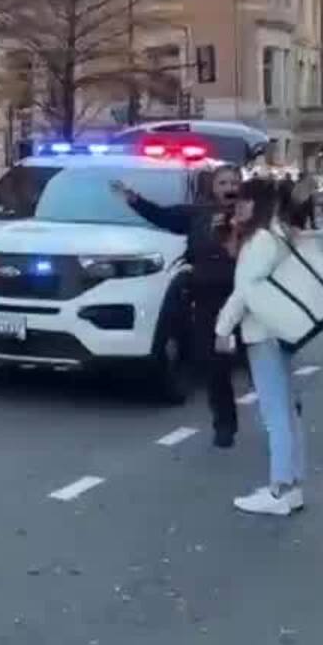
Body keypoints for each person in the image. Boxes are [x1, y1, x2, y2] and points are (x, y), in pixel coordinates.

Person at [114, 164, 245, 447]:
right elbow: (163, 216)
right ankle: (224, 424)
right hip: (210, 301)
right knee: (215, 364)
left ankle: (282, 409)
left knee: (258, 360)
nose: (229, 188)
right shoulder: (199, 214)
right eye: (223, 183)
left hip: (246, 300)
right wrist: (134, 200)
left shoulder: (250, 216)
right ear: (213, 188)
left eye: (234, 182)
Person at [213, 177, 309, 516]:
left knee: (274, 413)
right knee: (287, 410)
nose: (239, 205)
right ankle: (292, 485)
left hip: (264, 332)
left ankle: (279, 488)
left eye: (246, 200)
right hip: (281, 330)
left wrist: (222, 329)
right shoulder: (278, 234)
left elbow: (244, 292)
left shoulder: (260, 241)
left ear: (259, 204)